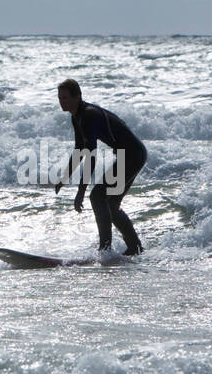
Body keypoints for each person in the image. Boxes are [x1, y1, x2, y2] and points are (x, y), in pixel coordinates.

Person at [53, 78, 147, 256]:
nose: (61, 102)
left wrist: (81, 191)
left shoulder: (88, 115)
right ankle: (135, 248)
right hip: (128, 155)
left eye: (65, 98)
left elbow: (91, 156)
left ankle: (105, 249)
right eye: (59, 98)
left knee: (97, 196)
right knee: (111, 204)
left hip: (132, 155)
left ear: (78, 96)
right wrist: (64, 179)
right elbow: (79, 151)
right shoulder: (77, 117)